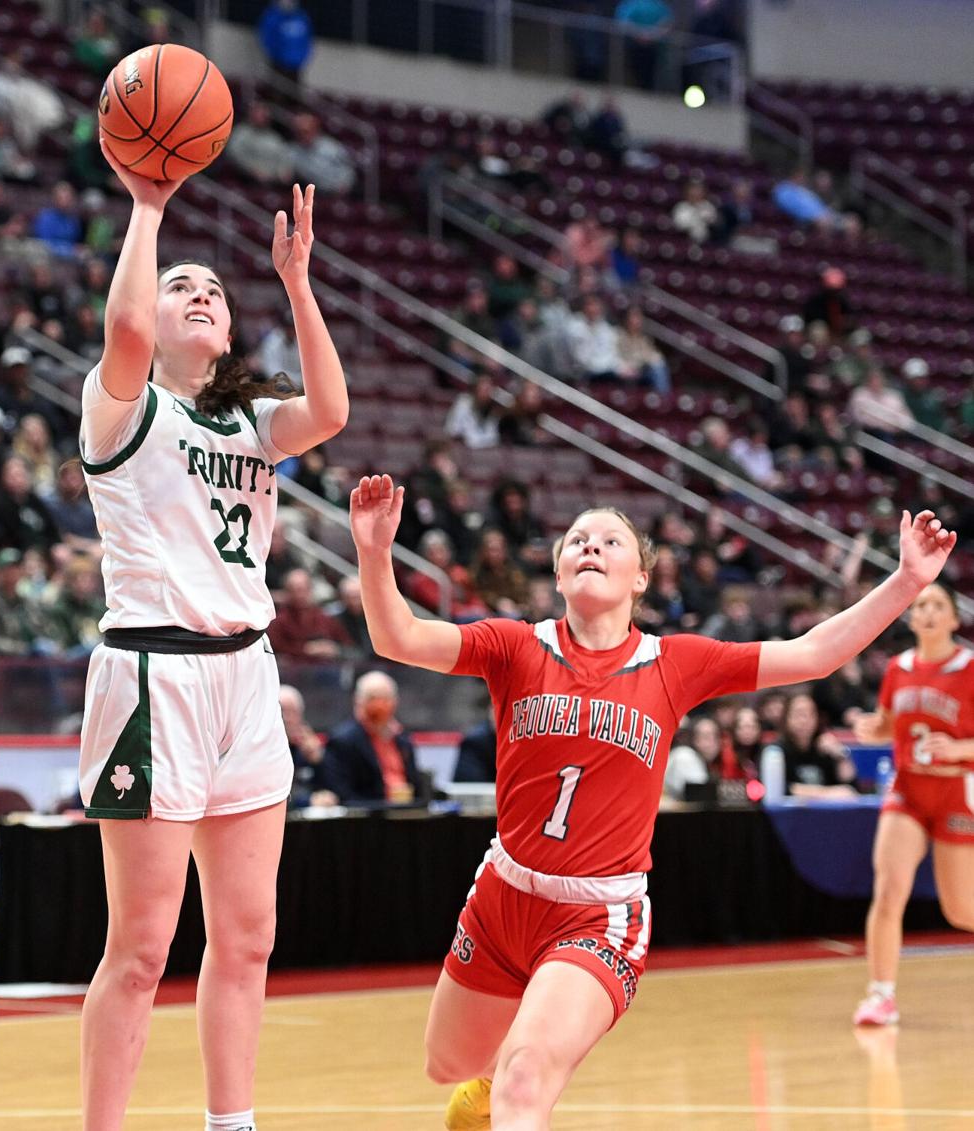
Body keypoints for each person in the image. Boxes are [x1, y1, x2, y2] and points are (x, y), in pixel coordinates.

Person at [348, 472, 954, 1131]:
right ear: (557, 574)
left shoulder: (675, 662)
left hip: (598, 914)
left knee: (526, 1082)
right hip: (505, 893)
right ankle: (494, 1077)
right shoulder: (514, 646)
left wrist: (906, 581)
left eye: (611, 540)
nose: (590, 545)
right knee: (449, 1063)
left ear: (641, 577)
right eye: (576, 539)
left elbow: (811, 653)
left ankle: (518, 1076)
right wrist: (374, 552)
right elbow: (398, 637)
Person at [76, 133, 347, 1131]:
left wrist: (297, 284)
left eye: (214, 292)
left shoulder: (252, 424)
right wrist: (148, 209)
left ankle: (232, 1124)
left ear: (229, 331)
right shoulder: (122, 409)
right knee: (142, 949)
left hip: (246, 680)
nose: (199, 294)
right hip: (153, 677)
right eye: (180, 287)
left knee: (247, 939)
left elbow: (331, 408)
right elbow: (124, 328)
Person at [851, 583, 974, 1028]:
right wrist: (874, 729)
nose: (928, 611)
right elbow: (891, 726)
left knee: (960, 910)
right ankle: (881, 995)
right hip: (907, 790)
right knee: (888, 890)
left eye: (938, 605)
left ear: (954, 619)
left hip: (956, 790)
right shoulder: (897, 668)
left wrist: (958, 749)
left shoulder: (970, 668)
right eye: (921, 605)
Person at [321, 670, 424, 805]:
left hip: (406, 811)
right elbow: (343, 796)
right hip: (372, 813)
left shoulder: (402, 739)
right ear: (358, 701)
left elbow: (416, 787)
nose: (379, 705)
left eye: (385, 698)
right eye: (373, 698)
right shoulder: (343, 741)